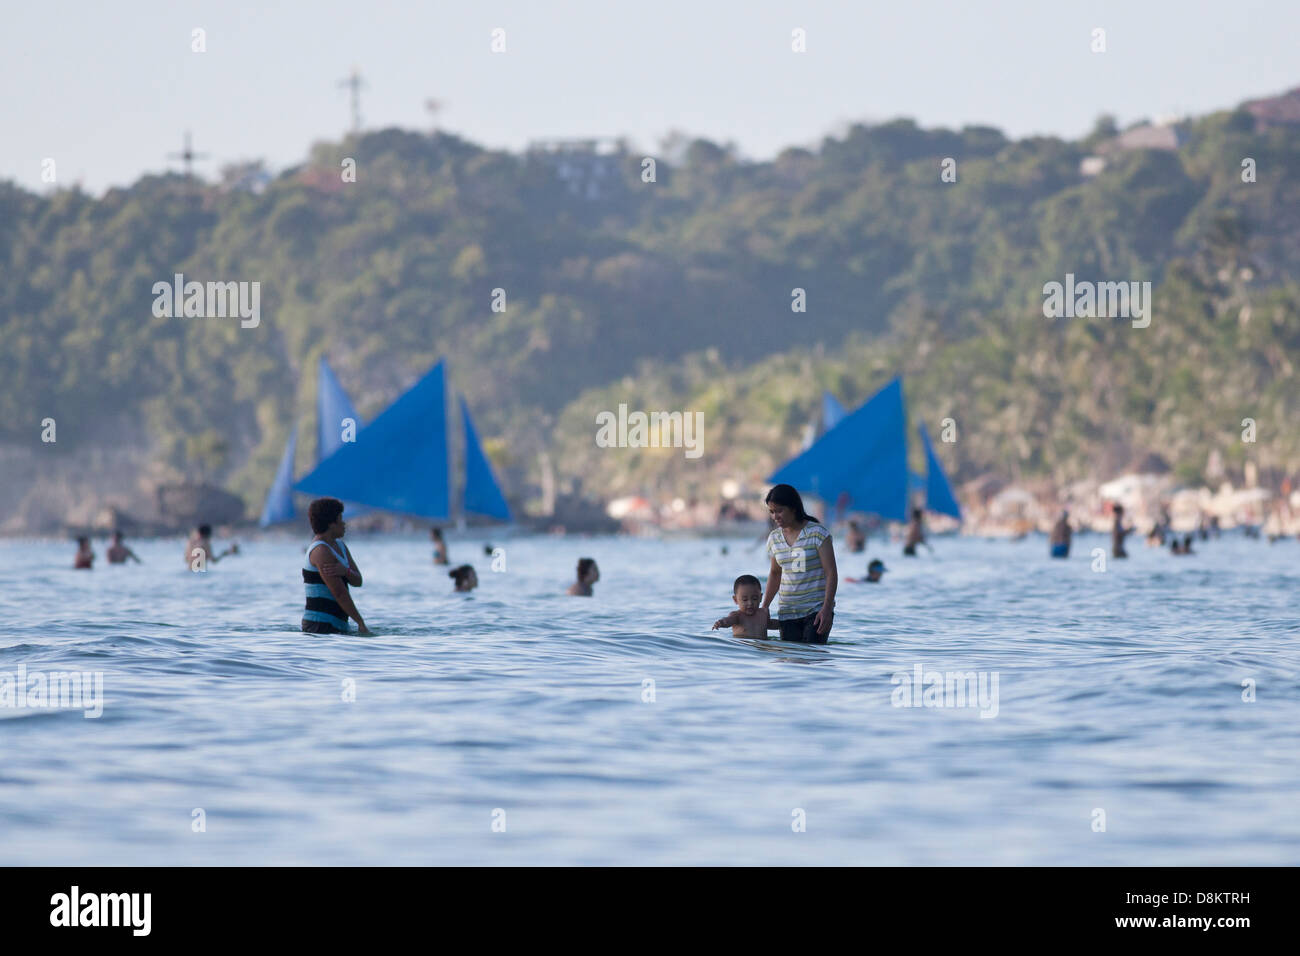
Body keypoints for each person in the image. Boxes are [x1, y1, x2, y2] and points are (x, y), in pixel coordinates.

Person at [761, 484, 837, 643]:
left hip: (816, 611)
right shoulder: (774, 538)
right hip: (787, 612)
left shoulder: (817, 533)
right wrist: (765, 606)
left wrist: (827, 609)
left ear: (794, 508)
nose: (775, 517)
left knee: (812, 659)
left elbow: (831, 573)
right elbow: (775, 573)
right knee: (791, 660)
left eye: (780, 511)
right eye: (772, 512)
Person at [302, 497, 370, 635]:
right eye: (340, 519)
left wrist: (346, 571)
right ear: (331, 524)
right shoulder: (321, 551)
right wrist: (360, 622)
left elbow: (358, 581)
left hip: (338, 625)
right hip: (319, 626)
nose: (344, 523)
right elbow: (339, 593)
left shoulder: (340, 545)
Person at [712, 574, 782, 637]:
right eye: (745, 600)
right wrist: (721, 623)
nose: (750, 603)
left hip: (761, 648)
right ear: (735, 600)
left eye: (754, 598)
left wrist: (784, 624)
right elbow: (728, 621)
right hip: (743, 649)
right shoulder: (737, 616)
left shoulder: (763, 613)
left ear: (760, 598)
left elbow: (770, 624)